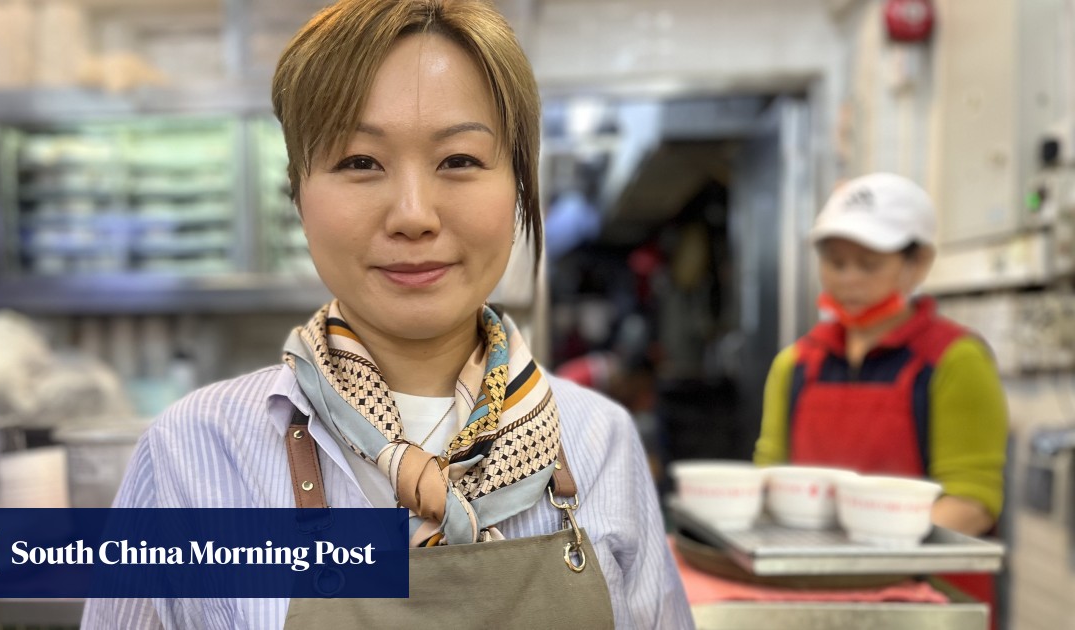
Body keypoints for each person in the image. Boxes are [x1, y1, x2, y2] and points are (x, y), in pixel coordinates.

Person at [83, 1, 694, 627]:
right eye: (359, 162)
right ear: (298, 192)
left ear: (518, 186)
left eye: (459, 160)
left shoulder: (598, 441)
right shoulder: (195, 452)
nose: (412, 214)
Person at [753, 172, 1008, 626]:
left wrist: (861, 562)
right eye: (834, 262)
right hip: (813, 601)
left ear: (918, 263)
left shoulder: (953, 359)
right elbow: (769, 480)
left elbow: (970, 503)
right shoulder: (795, 364)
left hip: (928, 602)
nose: (847, 279)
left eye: (868, 264)